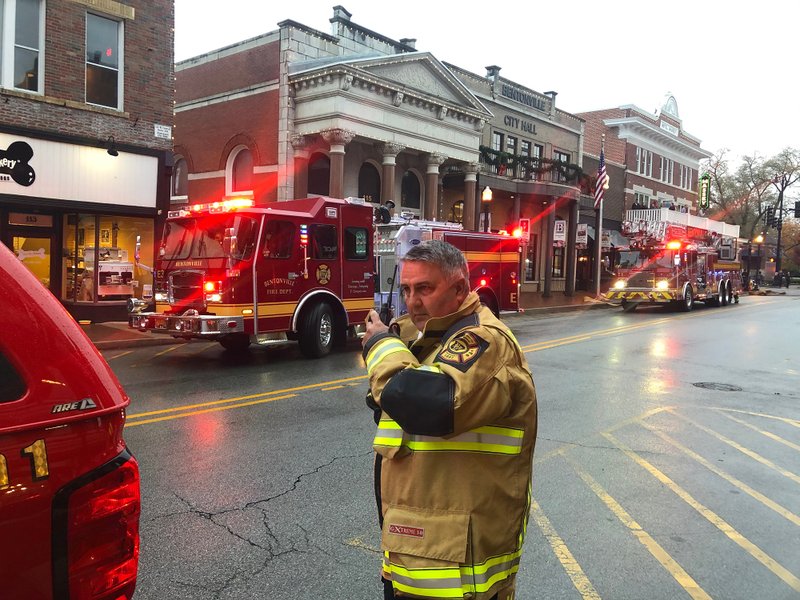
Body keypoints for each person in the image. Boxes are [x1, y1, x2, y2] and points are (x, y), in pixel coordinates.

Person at [361, 240, 537, 600]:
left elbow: (434, 403)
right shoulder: (429, 337)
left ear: (460, 289)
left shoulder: (484, 340)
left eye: (425, 288)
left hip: (455, 568)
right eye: (407, 289)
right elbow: (393, 407)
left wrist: (380, 346)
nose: (412, 301)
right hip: (416, 546)